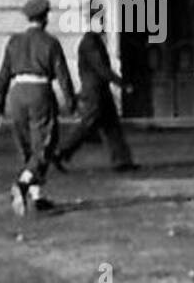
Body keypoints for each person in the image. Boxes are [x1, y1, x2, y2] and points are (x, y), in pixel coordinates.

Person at [0, 0, 77, 215]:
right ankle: (22, 185)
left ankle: (37, 197)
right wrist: (72, 103)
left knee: (26, 144)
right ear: (45, 18)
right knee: (45, 143)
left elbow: (3, 74)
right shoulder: (50, 42)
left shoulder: (14, 41)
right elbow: (63, 75)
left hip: (17, 93)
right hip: (40, 92)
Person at [57, 12, 138, 171]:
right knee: (87, 125)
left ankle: (121, 161)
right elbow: (101, 68)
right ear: (91, 23)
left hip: (100, 91)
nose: (103, 25)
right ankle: (61, 151)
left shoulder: (94, 41)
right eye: (100, 22)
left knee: (112, 126)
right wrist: (121, 84)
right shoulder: (90, 43)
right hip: (95, 92)